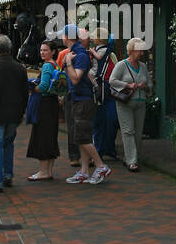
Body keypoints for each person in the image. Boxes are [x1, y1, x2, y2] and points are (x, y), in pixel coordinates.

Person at [63, 26, 110, 185]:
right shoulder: (76, 52)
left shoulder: (80, 55)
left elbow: (75, 79)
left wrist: (68, 63)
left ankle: (101, 166)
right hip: (79, 99)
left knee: (82, 137)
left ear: (66, 37)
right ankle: (84, 171)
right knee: (83, 136)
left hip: (83, 100)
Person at [0, 35, 29, 194]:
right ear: (10, 49)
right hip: (14, 113)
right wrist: (22, 111)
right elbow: (25, 93)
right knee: (9, 143)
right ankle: (7, 174)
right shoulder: (20, 68)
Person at [110, 39, 151, 172]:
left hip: (140, 102)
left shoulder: (143, 66)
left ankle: (131, 157)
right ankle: (132, 162)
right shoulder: (122, 65)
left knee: (138, 133)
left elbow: (150, 84)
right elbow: (112, 81)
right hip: (125, 103)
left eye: (142, 50)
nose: (141, 53)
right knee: (128, 131)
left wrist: (145, 86)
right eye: (139, 50)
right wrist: (127, 85)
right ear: (131, 50)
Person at [26, 41, 61, 180]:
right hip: (52, 103)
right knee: (51, 135)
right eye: (41, 50)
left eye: (45, 50)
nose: (42, 52)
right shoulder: (55, 64)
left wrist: (32, 88)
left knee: (42, 136)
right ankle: (48, 171)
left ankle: (43, 171)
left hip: (44, 104)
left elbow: (44, 86)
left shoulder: (47, 65)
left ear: (53, 51)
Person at [91, 29, 119, 160]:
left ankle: (105, 149)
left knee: (108, 121)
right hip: (104, 91)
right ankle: (101, 150)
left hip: (105, 91)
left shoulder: (98, 53)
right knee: (102, 121)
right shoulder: (108, 53)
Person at [57, 27, 81, 166]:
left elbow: (64, 76)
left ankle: (76, 156)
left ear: (67, 36)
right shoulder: (65, 54)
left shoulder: (70, 55)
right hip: (72, 93)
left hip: (73, 93)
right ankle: (77, 156)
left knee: (73, 126)